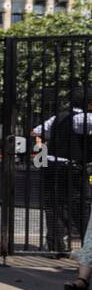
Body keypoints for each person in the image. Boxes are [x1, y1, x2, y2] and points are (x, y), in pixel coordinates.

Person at [32, 89, 92, 253]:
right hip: (73, 168)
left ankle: (55, 246)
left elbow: (36, 131)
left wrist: (41, 149)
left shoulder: (58, 117)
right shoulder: (86, 118)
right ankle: (88, 246)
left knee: (53, 206)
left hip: (52, 166)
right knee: (82, 206)